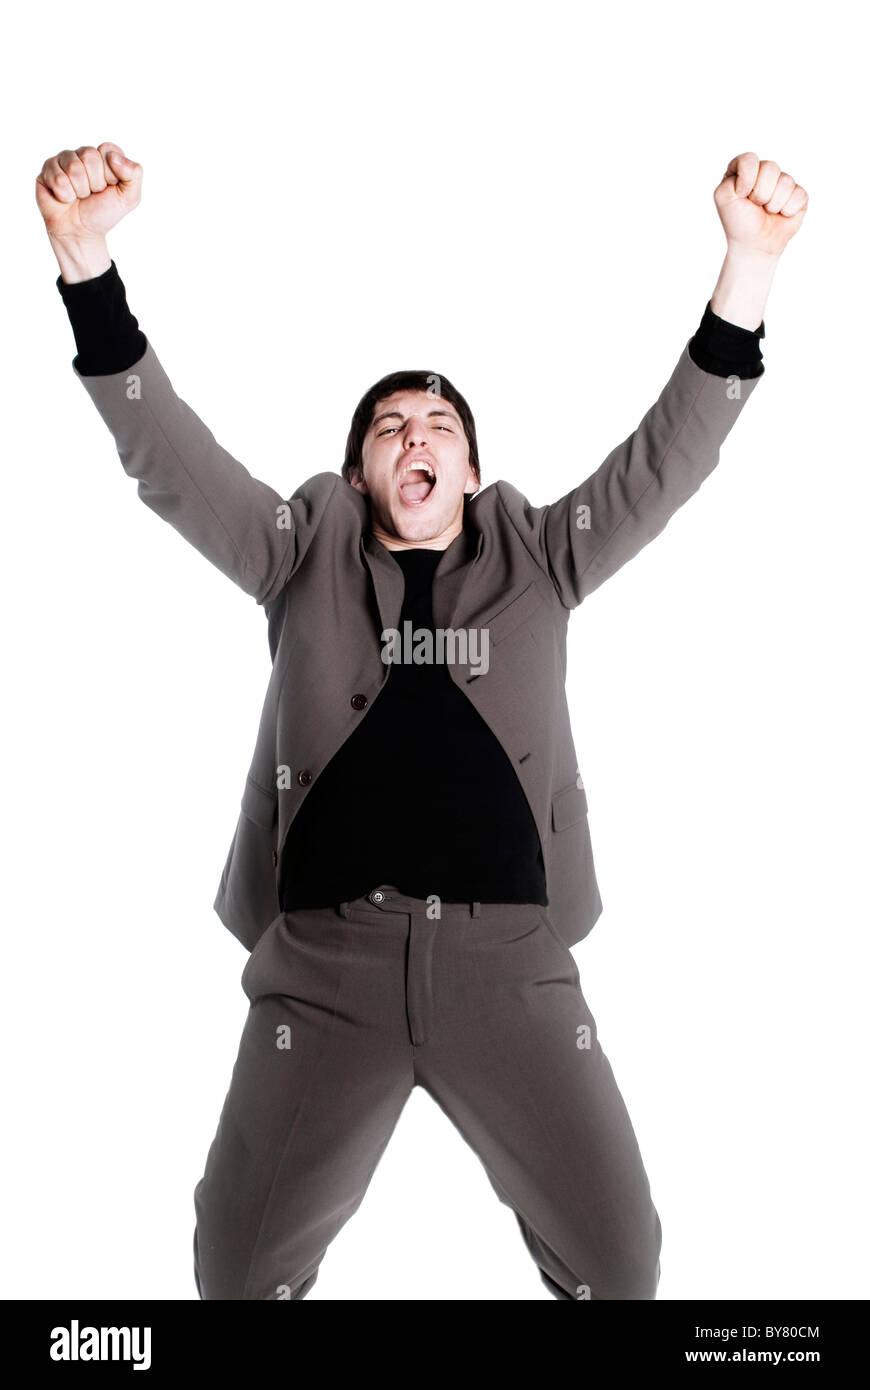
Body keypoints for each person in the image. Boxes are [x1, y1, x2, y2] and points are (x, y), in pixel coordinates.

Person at [37, 143, 808, 1300]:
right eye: (391, 426)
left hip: (510, 966)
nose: (416, 436)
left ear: (472, 468)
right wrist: (88, 268)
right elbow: (171, 457)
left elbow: (671, 455)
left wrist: (747, 265)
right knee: (233, 1269)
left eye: (439, 424)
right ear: (357, 475)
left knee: (621, 1260)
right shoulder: (295, 552)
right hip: (325, 967)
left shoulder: (547, 555)